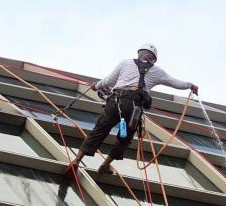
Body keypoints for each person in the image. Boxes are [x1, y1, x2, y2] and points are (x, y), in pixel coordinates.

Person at [67, 43, 198, 175]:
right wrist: (190, 85)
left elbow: (109, 80)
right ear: (152, 58)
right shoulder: (156, 71)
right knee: (124, 139)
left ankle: (77, 160)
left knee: (99, 131)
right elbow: (174, 82)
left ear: (139, 53)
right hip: (133, 108)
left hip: (115, 101)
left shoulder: (126, 63)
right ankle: (105, 165)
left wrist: (96, 86)